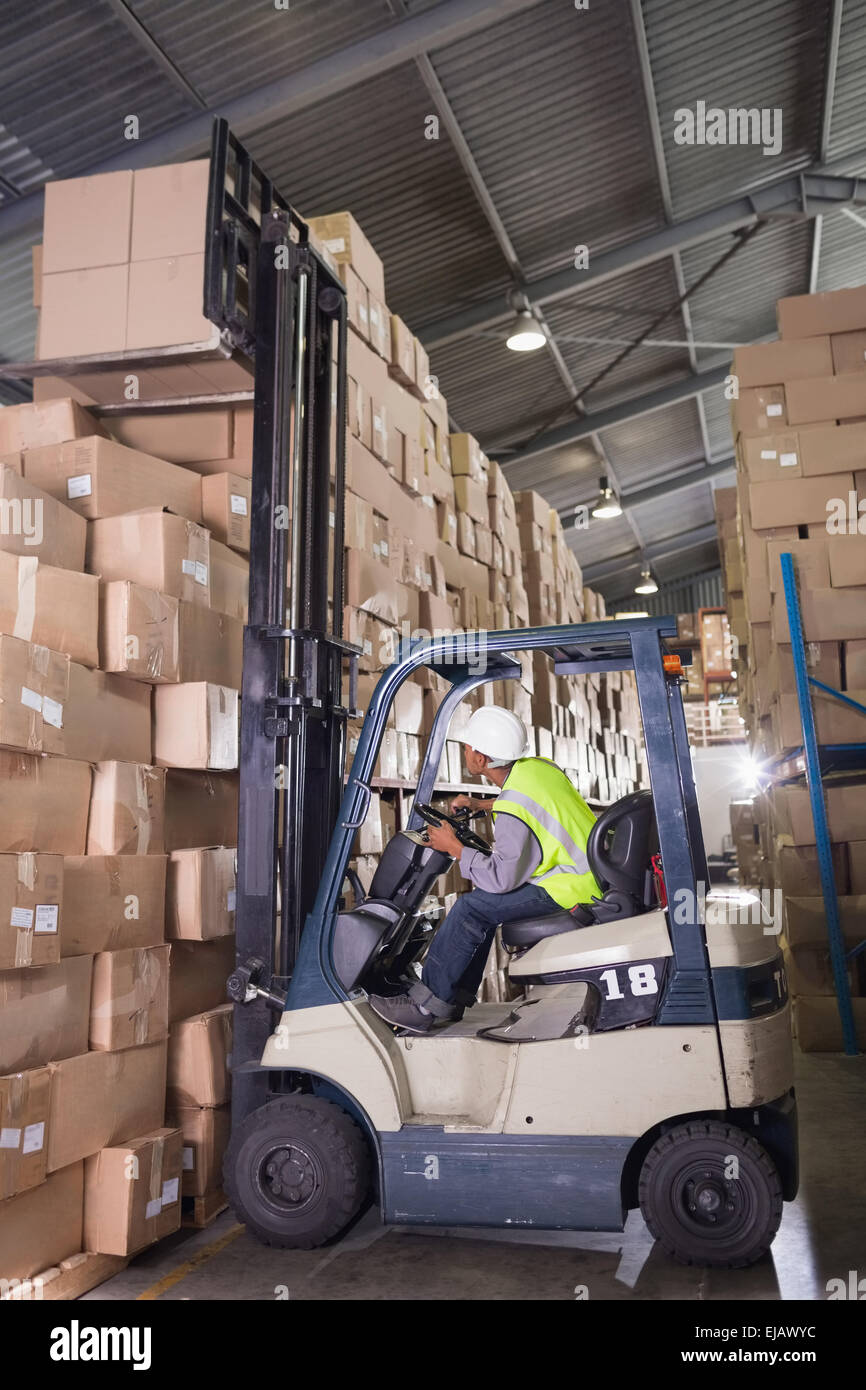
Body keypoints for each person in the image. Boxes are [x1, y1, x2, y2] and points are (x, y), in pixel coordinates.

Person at [368, 705, 601, 1035]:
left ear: (480, 758)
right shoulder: (538, 768)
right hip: (590, 873)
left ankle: (423, 1007)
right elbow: (527, 800)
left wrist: (455, 849)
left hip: (573, 888)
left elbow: (500, 878)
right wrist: (481, 805)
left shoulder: (512, 812)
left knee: (470, 908)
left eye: (467, 746)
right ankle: (451, 1000)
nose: (464, 751)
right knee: (483, 907)